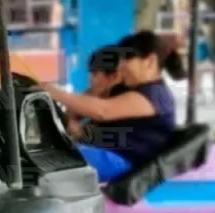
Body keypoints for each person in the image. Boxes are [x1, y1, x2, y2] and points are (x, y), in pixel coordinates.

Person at [41, 30, 182, 182]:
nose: (120, 68)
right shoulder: (139, 91)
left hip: (124, 162)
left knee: (48, 162)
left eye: (127, 59)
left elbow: (103, 111)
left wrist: (55, 92)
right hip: (111, 156)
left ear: (149, 61)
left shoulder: (156, 94)